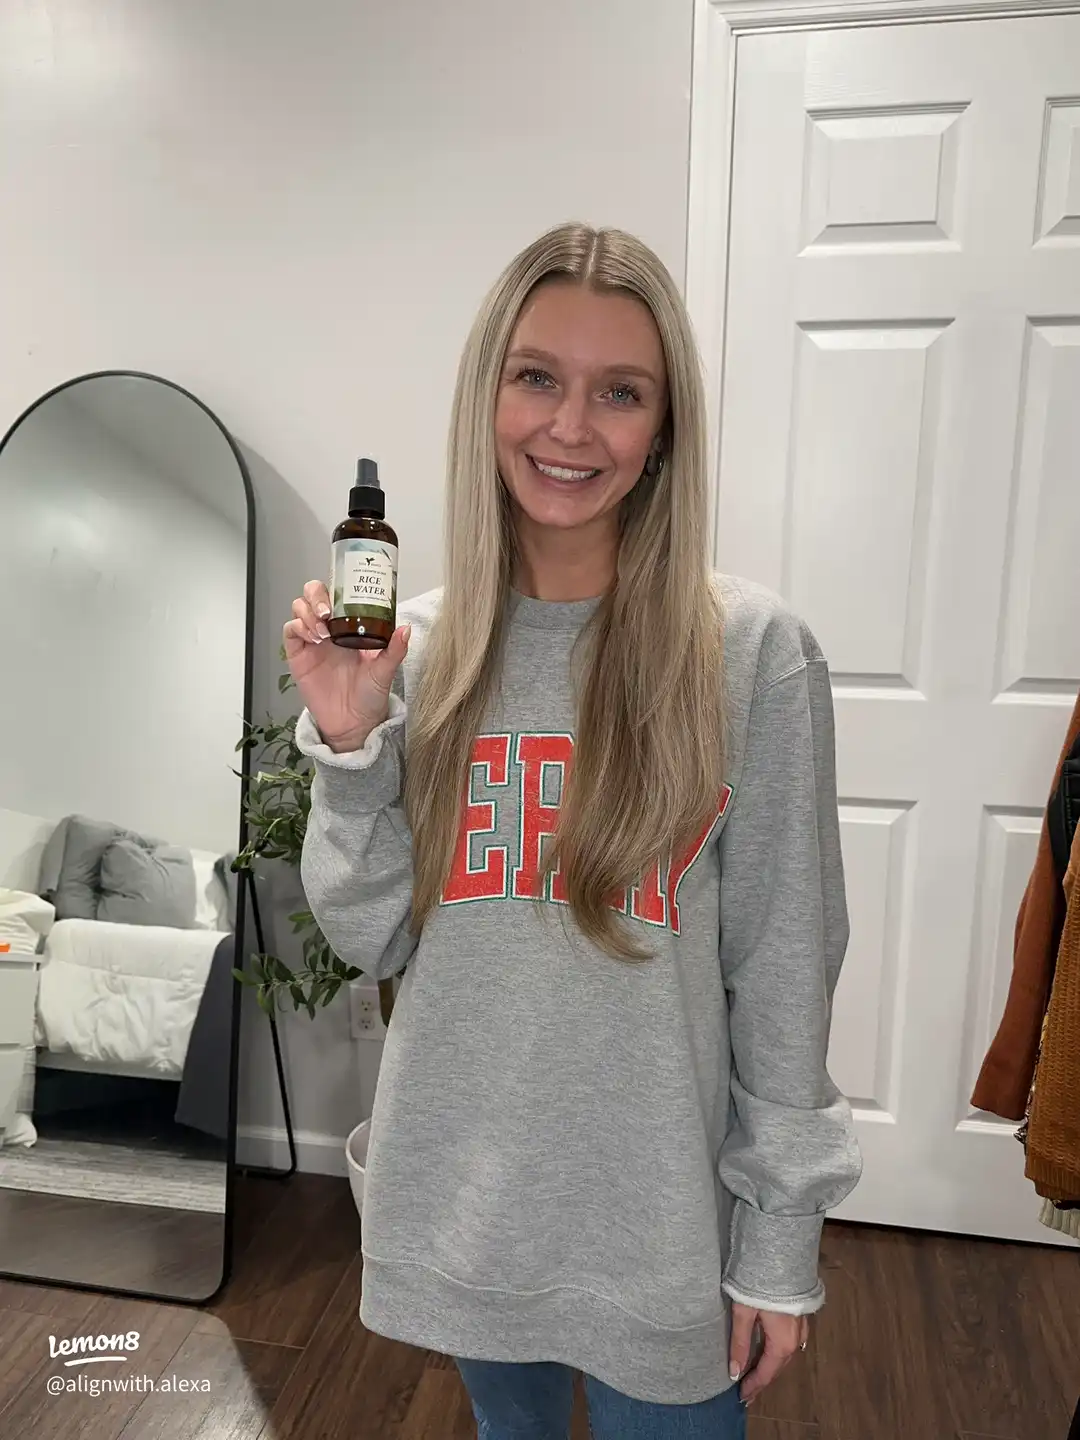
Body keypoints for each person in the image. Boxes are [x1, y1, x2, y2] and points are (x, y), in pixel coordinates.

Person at [286, 222, 862, 1440]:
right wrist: (350, 746)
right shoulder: (419, 652)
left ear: (662, 434)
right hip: (469, 1211)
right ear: (487, 392)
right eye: (537, 376)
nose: (570, 427)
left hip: (663, 1230)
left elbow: (784, 971)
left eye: (620, 393)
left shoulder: (750, 655)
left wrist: (780, 1240)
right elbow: (373, 936)